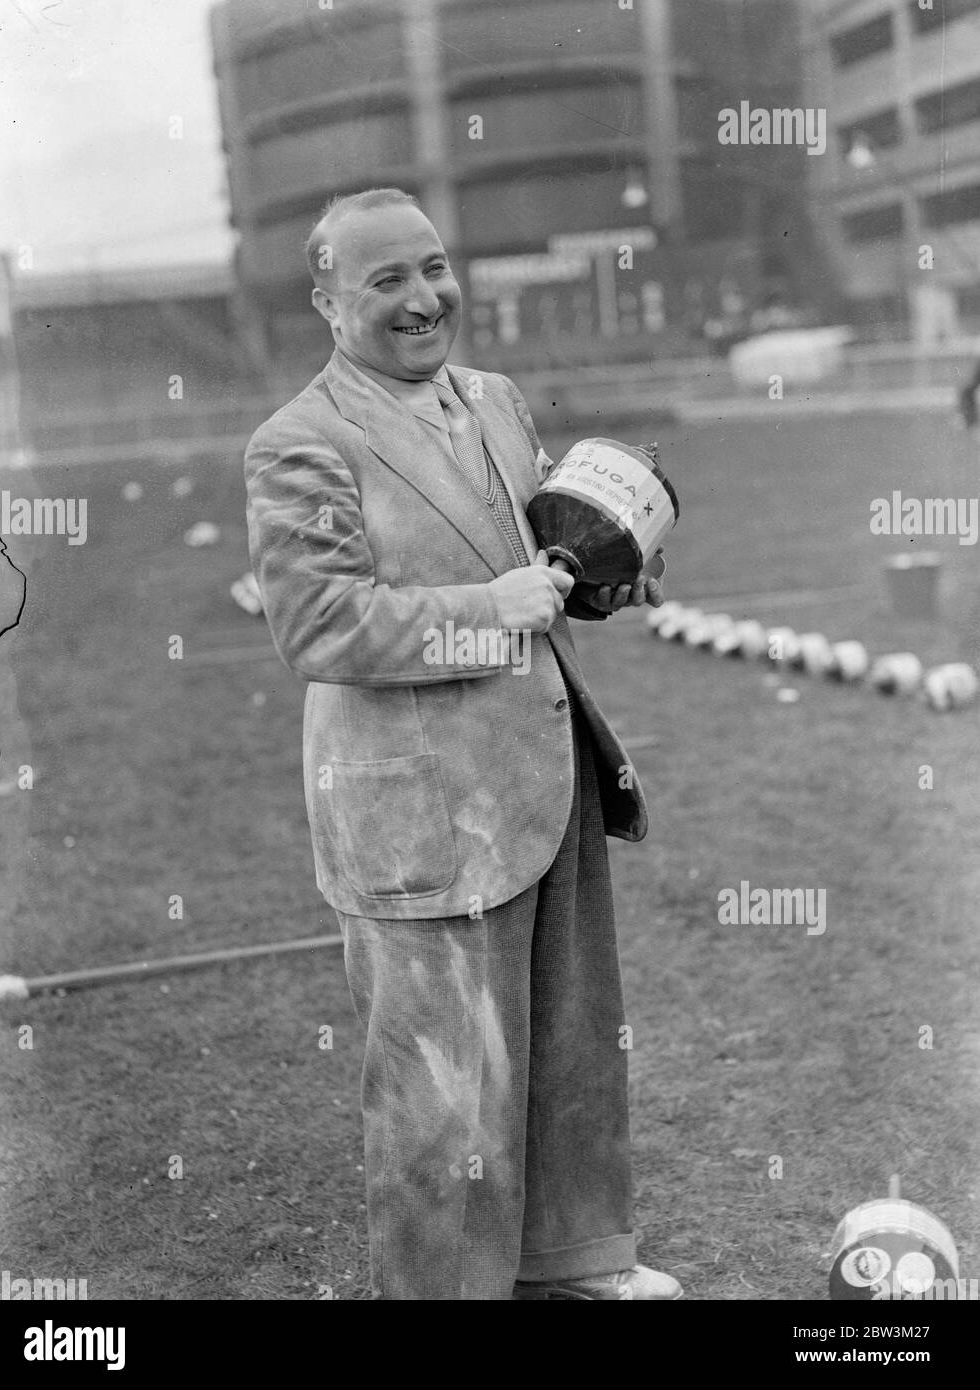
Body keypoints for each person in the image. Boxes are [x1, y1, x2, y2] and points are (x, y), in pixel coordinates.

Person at [244, 187, 681, 1301]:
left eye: (432, 267)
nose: (421, 296)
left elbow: (530, 559)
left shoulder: (491, 397)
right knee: (441, 1087)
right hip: (415, 808)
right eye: (385, 279)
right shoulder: (300, 440)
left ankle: (570, 1262)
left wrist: (596, 576)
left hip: (541, 763)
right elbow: (318, 624)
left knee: (569, 1037)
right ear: (328, 300)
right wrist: (493, 607)